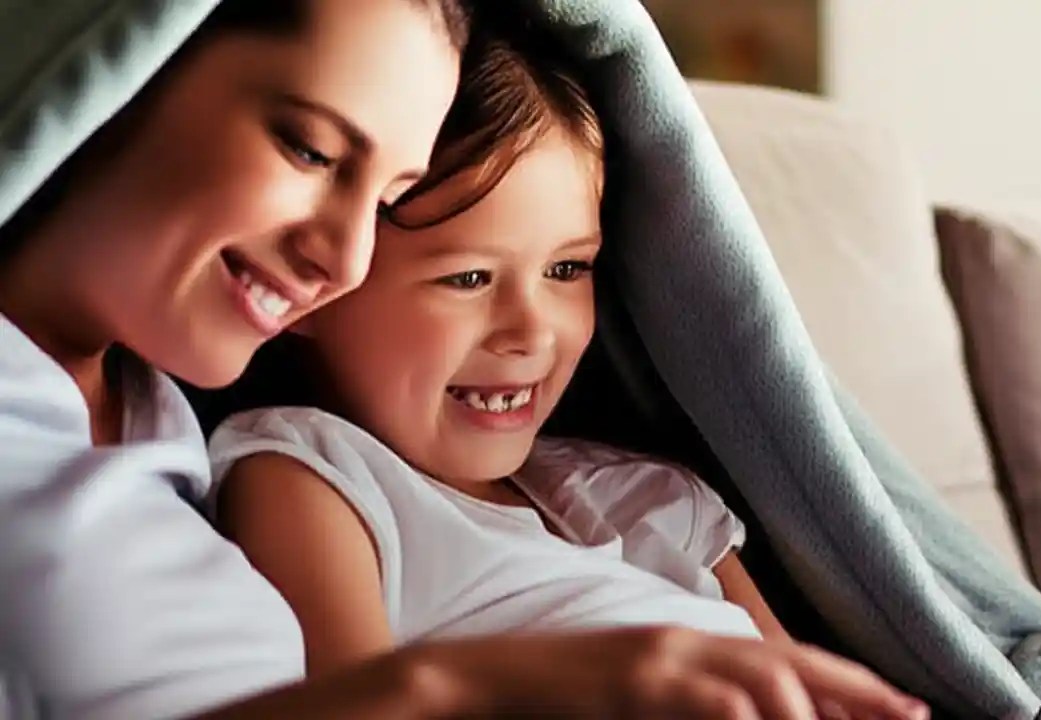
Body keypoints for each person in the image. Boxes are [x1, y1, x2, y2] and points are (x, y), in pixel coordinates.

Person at [0, 1, 967, 718]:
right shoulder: (294, 473)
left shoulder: (152, 420)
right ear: (114, 60)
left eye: (389, 197)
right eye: (310, 149)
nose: (344, 261)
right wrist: (467, 687)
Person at [207, 25, 817, 682]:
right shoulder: (315, 479)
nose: (531, 331)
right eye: (468, 278)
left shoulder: (654, 502)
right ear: (318, 284)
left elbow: (818, 694)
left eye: (567, 270)